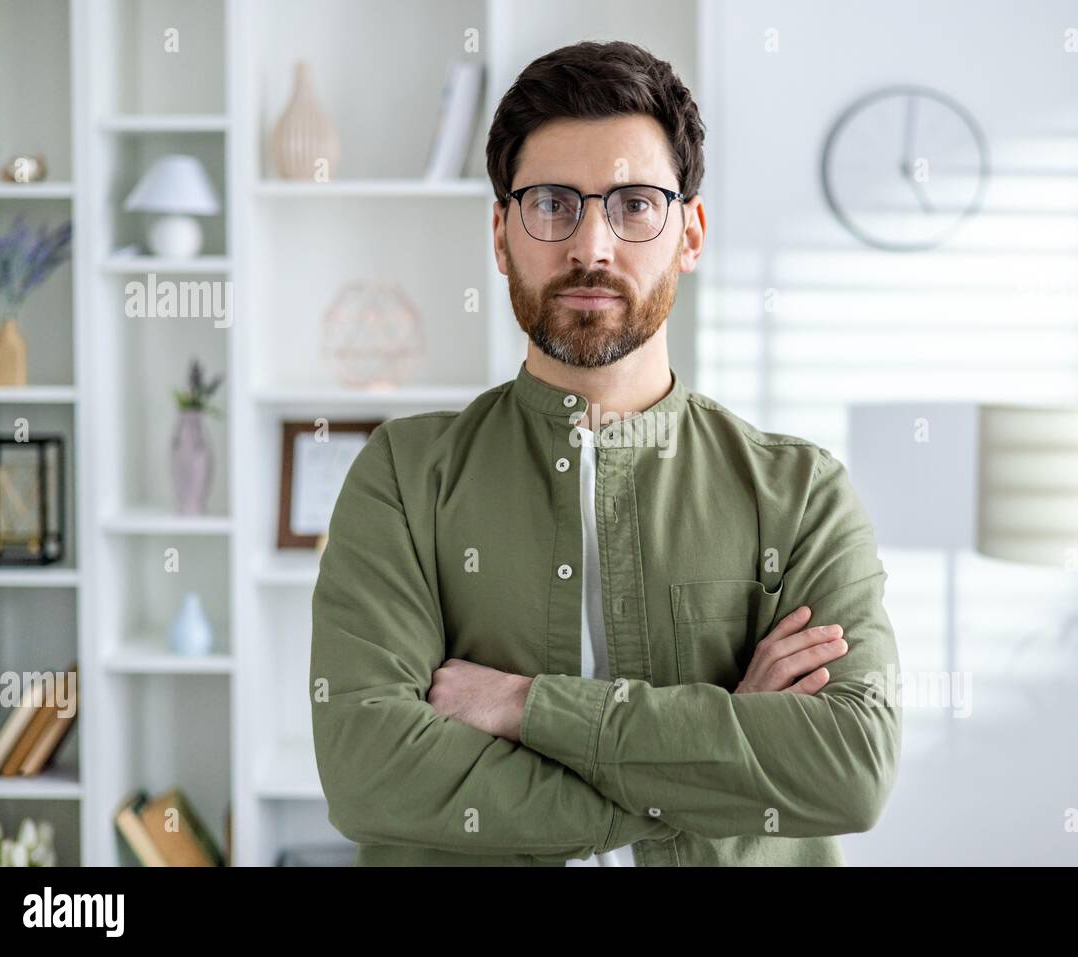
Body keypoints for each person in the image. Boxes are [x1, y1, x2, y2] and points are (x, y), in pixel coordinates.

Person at [310, 39, 901, 867]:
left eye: (632, 205)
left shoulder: (801, 493)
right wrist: (712, 760)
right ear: (501, 233)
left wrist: (525, 706)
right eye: (551, 203)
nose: (591, 246)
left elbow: (849, 769)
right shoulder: (405, 476)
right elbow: (369, 772)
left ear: (689, 233)